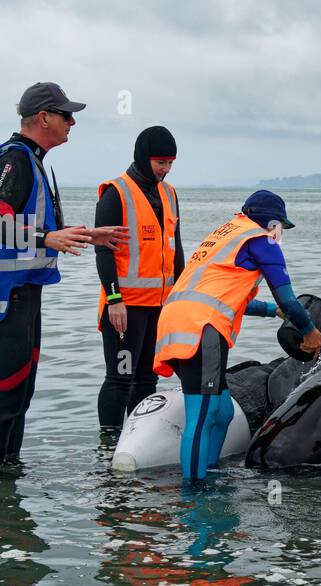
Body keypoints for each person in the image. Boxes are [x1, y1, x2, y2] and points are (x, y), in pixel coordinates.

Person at [0, 82, 128, 467]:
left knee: (21, 395)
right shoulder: (17, 159)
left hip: (27, 293)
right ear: (44, 118)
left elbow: (35, 229)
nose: (72, 122)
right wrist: (49, 237)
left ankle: (10, 494)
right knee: (7, 396)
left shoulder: (35, 159)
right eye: (65, 115)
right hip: (9, 294)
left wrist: (88, 236)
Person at [152, 191, 321, 480]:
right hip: (202, 328)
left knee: (222, 411)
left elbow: (223, 297)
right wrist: (309, 331)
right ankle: (194, 493)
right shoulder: (263, 240)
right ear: (271, 223)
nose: (280, 233)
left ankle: (208, 473)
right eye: (281, 226)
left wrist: (273, 312)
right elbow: (288, 298)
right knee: (204, 414)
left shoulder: (225, 234)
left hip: (175, 321)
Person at [94, 126, 184, 430]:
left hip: (160, 306)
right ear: (144, 158)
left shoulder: (169, 194)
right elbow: (103, 253)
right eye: (161, 163)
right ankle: (108, 447)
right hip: (125, 308)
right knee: (120, 379)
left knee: (148, 378)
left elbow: (177, 250)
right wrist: (114, 299)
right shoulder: (115, 193)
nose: (166, 169)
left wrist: (181, 297)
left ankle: (136, 440)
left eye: (170, 163)